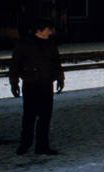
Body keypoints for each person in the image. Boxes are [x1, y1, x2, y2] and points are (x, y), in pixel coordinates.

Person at [9, 18, 65, 156]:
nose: (51, 32)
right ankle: (25, 143)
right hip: (31, 84)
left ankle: (42, 146)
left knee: (45, 117)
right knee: (29, 116)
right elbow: (15, 64)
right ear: (39, 30)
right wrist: (14, 83)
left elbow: (56, 63)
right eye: (48, 29)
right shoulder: (24, 44)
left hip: (46, 83)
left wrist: (59, 78)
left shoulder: (50, 44)